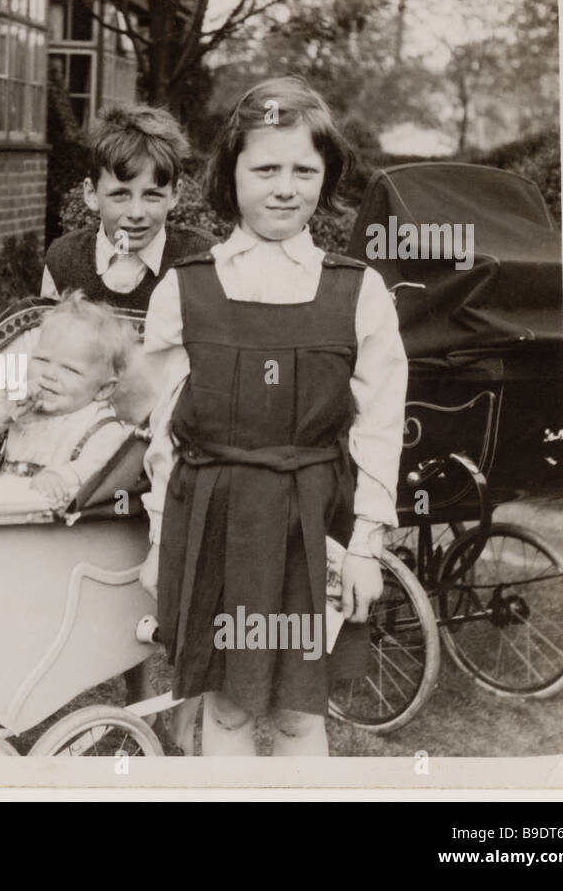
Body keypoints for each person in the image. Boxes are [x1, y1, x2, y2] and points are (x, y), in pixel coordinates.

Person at [140, 77, 407, 756]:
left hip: (313, 529)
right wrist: (159, 540)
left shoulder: (359, 291)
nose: (284, 187)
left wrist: (368, 547)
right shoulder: (185, 287)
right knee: (225, 708)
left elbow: (378, 425)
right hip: (216, 520)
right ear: (231, 175)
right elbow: (163, 433)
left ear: (327, 177)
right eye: (265, 168)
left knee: (298, 713)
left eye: (303, 170)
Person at [0, 292, 131, 506]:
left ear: (104, 389)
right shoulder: (15, 405)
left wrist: (63, 476)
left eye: (69, 369)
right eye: (41, 359)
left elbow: (104, 466)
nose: (49, 374)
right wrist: (1, 413)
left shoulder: (101, 428)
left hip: (43, 524)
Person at [41, 103, 216, 309]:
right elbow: (48, 336)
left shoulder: (202, 259)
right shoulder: (64, 260)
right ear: (91, 194)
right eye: (120, 194)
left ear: (174, 194)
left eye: (152, 195)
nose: (136, 213)